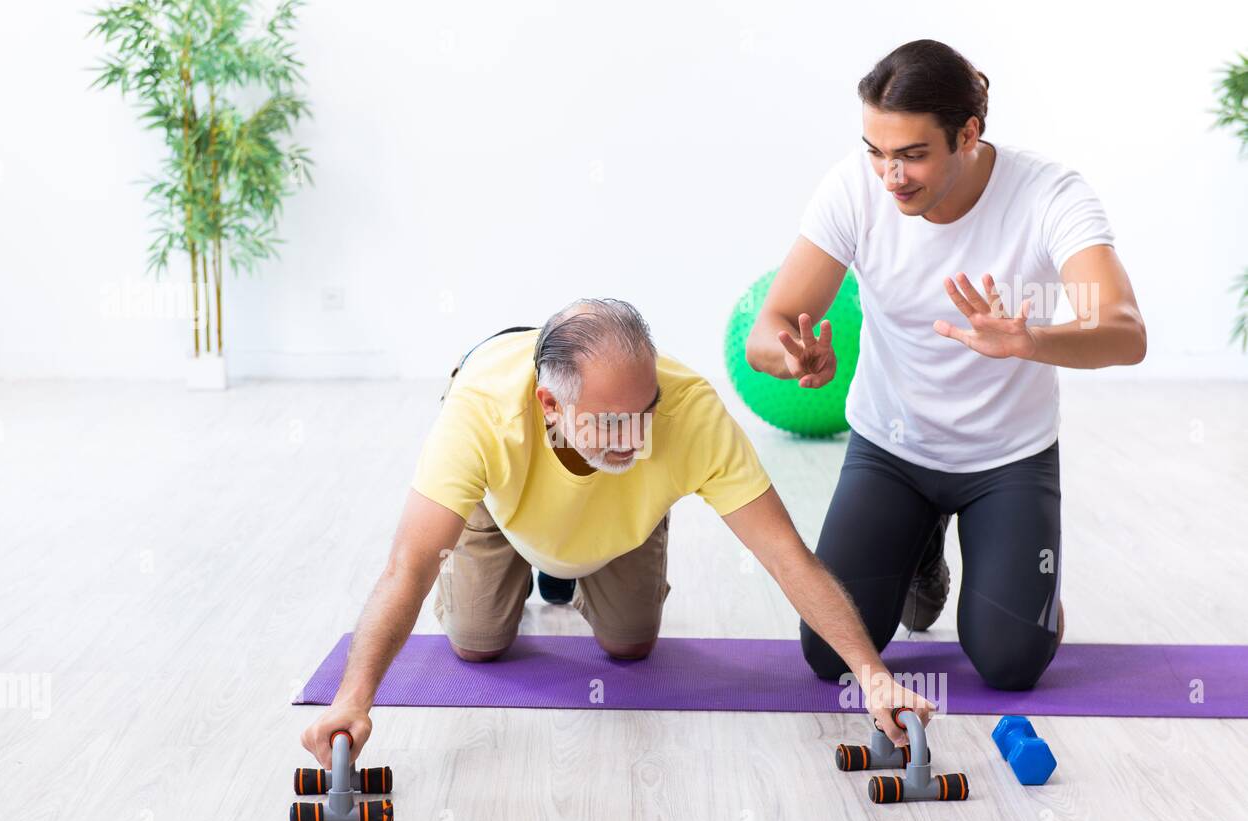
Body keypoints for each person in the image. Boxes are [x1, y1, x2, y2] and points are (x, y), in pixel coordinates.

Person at [303, 299, 933, 767]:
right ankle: (532, 559)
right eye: (610, 423)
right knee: (476, 643)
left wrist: (870, 673)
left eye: (645, 412)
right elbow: (409, 566)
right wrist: (353, 699)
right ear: (551, 407)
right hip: (504, 504)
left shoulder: (688, 412)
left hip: (617, 512)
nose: (635, 438)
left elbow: (787, 556)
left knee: (631, 645)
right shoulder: (481, 411)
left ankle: (572, 561)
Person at [746, 39, 1147, 691]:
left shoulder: (1049, 194)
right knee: (828, 655)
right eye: (876, 152)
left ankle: (1018, 585)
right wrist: (791, 356)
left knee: (1011, 662)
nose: (890, 177)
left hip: (1008, 459)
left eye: (912, 155)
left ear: (968, 134)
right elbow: (766, 330)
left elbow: (1126, 334)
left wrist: (1032, 341)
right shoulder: (854, 187)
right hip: (891, 450)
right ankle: (920, 549)